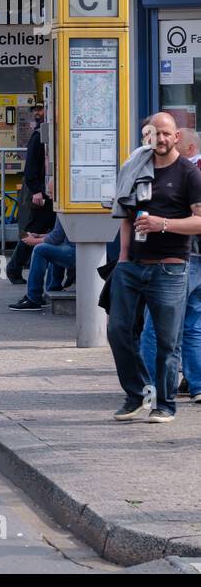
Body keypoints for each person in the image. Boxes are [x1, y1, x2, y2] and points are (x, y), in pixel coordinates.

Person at [107, 112, 201, 424]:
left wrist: (163, 224)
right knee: (118, 331)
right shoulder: (137, 167)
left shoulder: (189, 174)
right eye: (154, 134)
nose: (160, 139)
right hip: (132, 266)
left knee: (166, 341)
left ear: (176, 137)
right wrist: (121, 259)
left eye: (166, 134)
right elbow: (127, 217)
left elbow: (199, 222)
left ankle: (165, 405)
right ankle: (136, 395)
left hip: (170, 269)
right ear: (147, 137)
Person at [6, 103, 54, 284]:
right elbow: (31, 166)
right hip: (42, 191)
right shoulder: (39, 136)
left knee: (39, 229)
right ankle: (14, 267)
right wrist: (36, 190)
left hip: (46, 189)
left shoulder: (44, 134)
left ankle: (16, 267)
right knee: (35, 229)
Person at [8, 219, 75, 313]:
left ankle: (33, 298)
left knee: (40, 249)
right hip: (82, 249)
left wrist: (34, 241)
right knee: (52, 248)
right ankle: (53, 288)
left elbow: (56, 237)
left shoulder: (62, 205)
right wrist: (39, 236)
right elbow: (61, 235)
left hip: (76, 252)